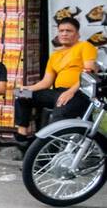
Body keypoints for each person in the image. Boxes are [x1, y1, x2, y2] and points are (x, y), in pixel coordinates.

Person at [13, 16, 97, 151]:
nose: (64, 33)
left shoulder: (85, 46)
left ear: (77, 34)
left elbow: (89, 73)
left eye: (69, 31)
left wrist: (70, 91)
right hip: (57, 92)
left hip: (78, 93)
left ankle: (48, 152)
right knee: (21, 94)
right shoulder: (55, 55)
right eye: (61, 31)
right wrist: (28, 88)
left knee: (60, 109)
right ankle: (22, 139)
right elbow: (46, 82)